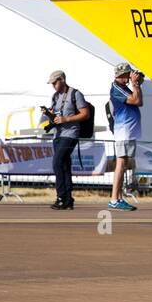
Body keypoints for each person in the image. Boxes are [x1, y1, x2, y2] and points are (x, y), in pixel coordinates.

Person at [48, 70, 91, 210]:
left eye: (55, 82)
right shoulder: (55, 96)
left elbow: (85, 114)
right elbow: (56, 115)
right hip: (58, 134)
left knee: (57, 163)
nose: (53, 85)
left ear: (62, 79)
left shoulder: (75, 94)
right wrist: (49, 114)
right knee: (64, 166)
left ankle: (61, 197)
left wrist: (66, 119)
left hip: (70, 134)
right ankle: (68, 199)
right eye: (52, 83)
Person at [107, 63, 143, 212]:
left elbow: (139, 101)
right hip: (124, 131)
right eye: (128, 74)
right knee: (120, 165)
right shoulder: (116, 89)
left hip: (128, 131)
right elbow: (136, 101)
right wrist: (135, 84)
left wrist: (137, 86)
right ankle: (114, 199)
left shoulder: (124, 88)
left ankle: (118, 197)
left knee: (123, 164)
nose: (130, 76)